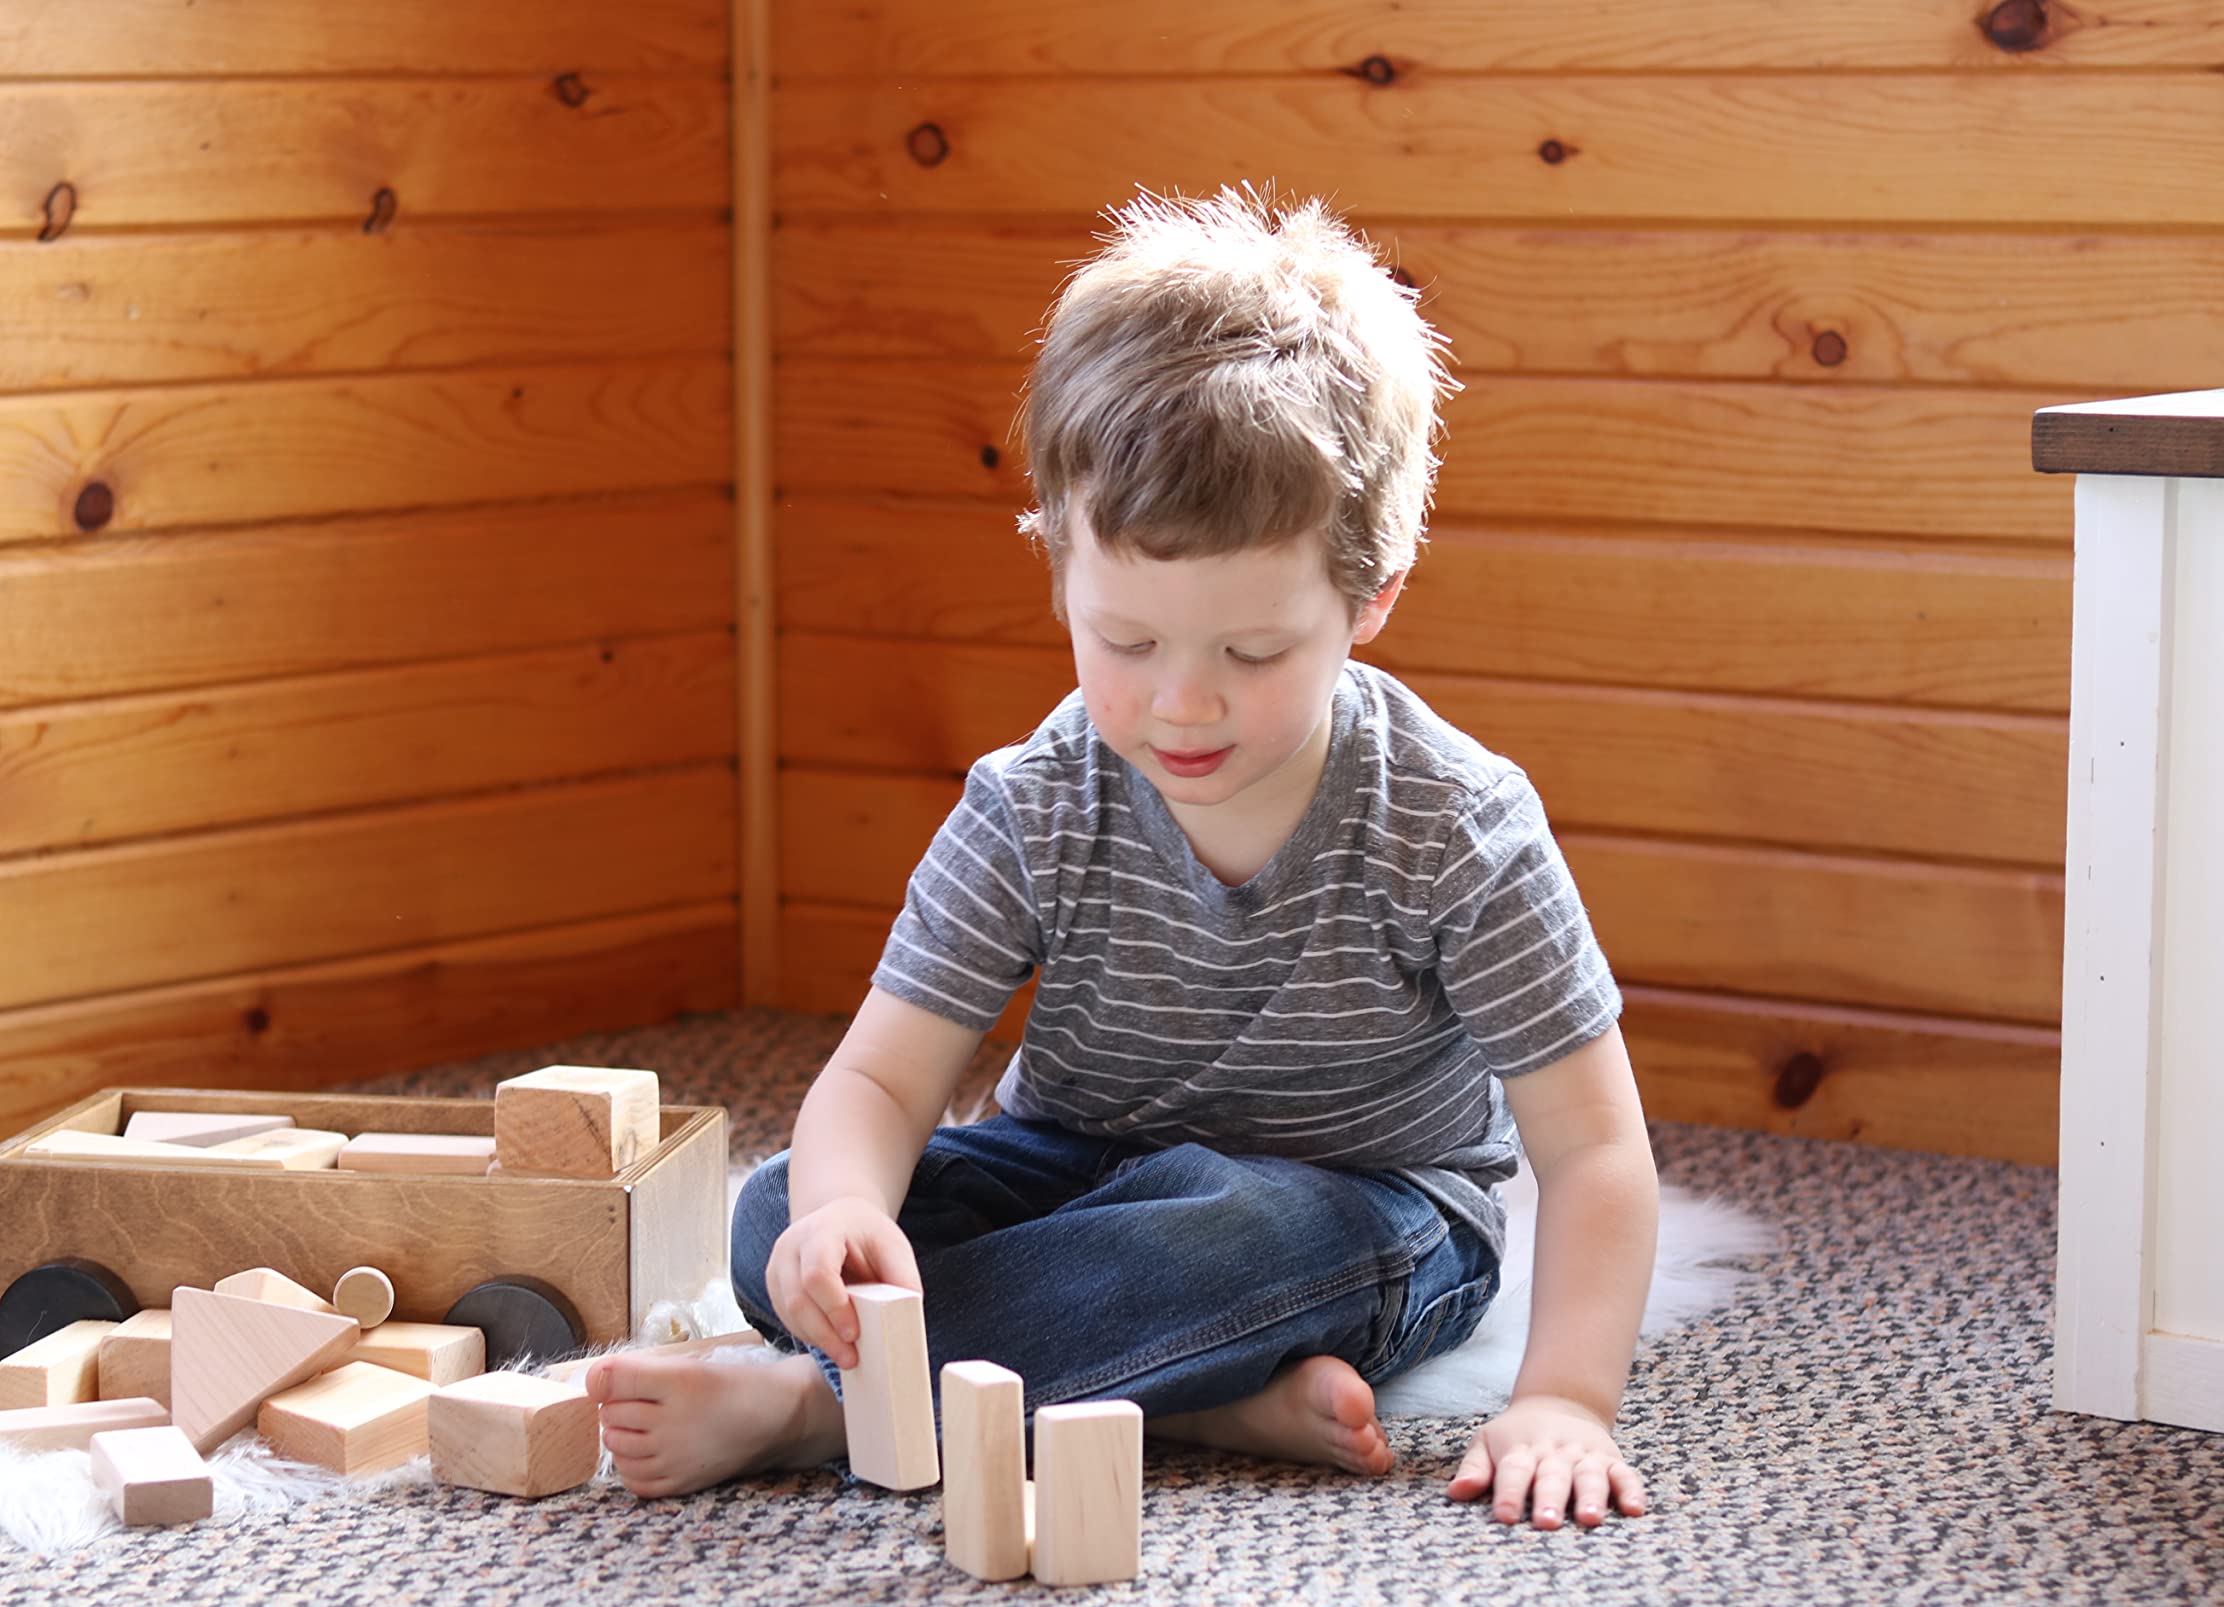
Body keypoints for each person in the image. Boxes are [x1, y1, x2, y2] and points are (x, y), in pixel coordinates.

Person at [587, 182, 1659, 1530]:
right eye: (1127, 643)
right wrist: (842, 1212)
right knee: (772, 1222)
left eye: (1251, 654)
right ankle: (1198, 1401)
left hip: (1362, 1216)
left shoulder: (1456, 824)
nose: (1182, 705)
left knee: (1234, 1237)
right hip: (1081, 1165)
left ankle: (823, 1409)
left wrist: (1564, 1397)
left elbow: (1597, 1150)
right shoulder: (1036, 801)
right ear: (1059, 575)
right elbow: (879, 1075)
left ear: (1368, 597)